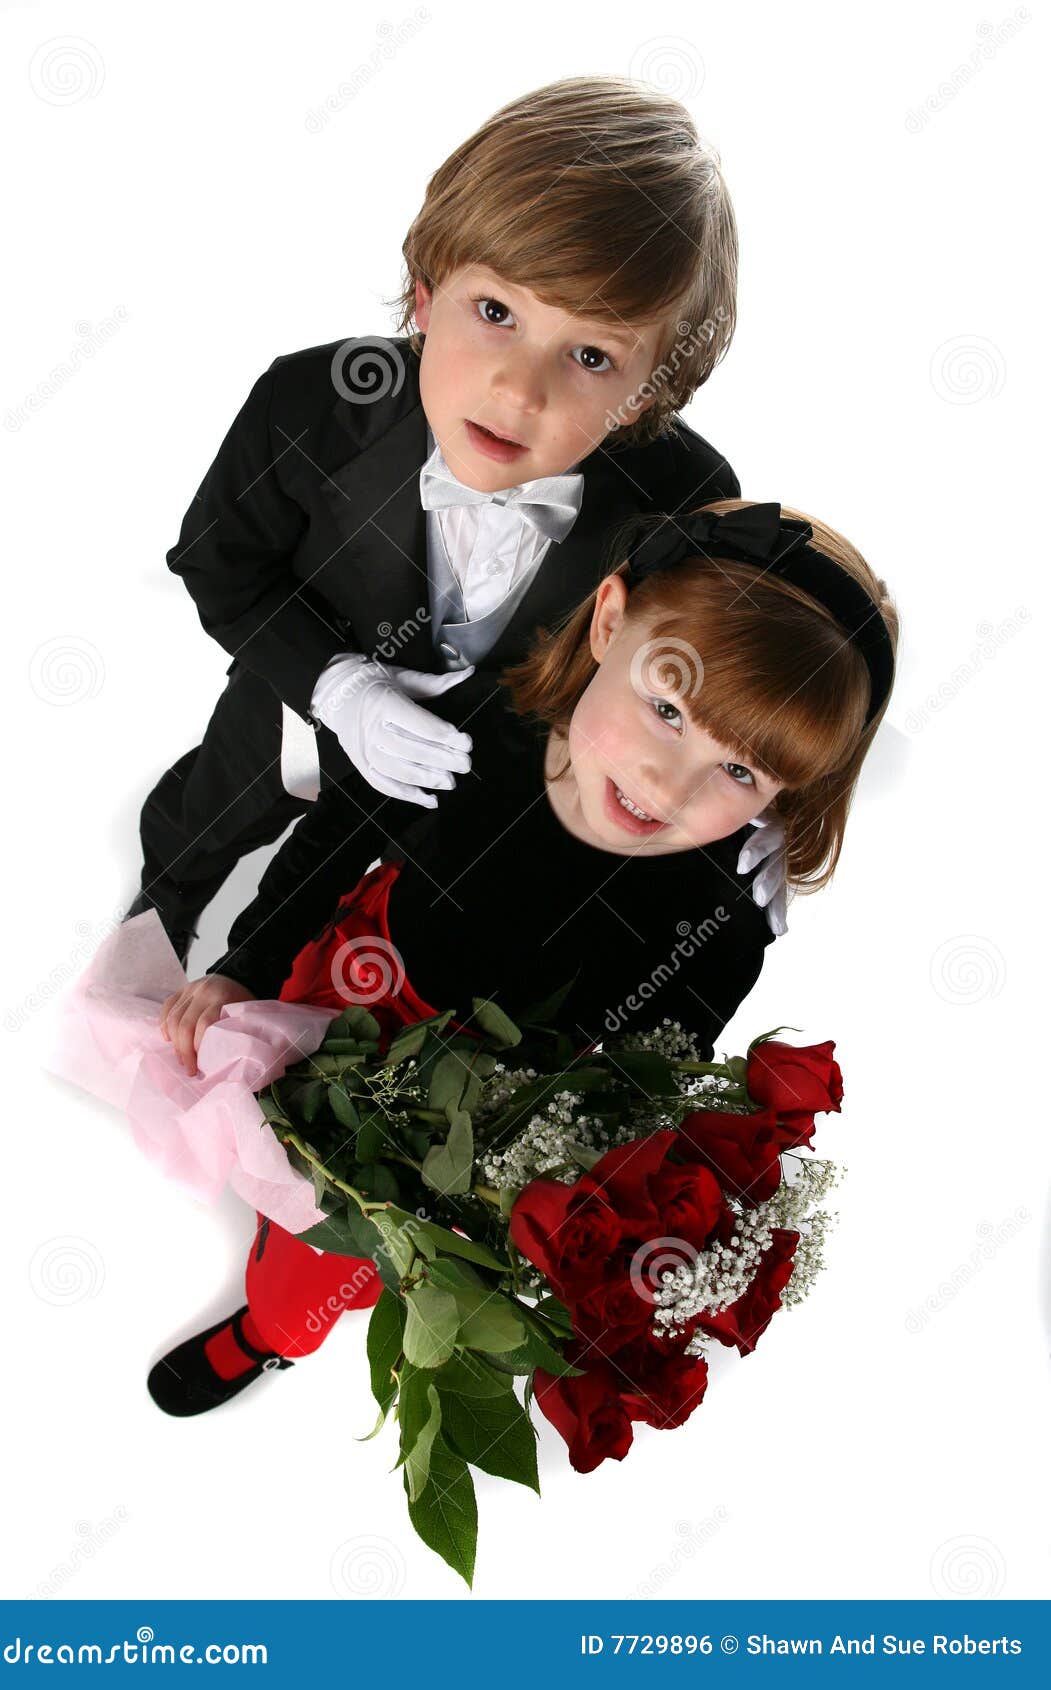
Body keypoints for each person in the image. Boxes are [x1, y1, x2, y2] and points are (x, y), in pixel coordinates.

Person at [139, 498, 899, 1415]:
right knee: (260, 1118)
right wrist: (249, 964)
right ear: (610, 621)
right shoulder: (483, 719)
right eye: (666, 709)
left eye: (739, 771)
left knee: (328, 1251)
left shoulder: (721, 922)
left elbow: (642, 1081)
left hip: (456, 1123)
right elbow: (342, 833)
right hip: (349, 980)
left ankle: (272, 1329)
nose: (668, 785)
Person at [123, 77, 791, 961]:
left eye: (592, 356)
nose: (519, 391)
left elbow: (757, 648)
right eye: (496, 312)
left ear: (645, 392)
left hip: (476, 774)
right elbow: (218, 563)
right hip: (289, 706)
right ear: (425, 296)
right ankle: (154, 918)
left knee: (381, 926)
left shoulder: (686, 493)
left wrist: (783, 788)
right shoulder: (310, 402)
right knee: (202, 821)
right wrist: (339, 690)